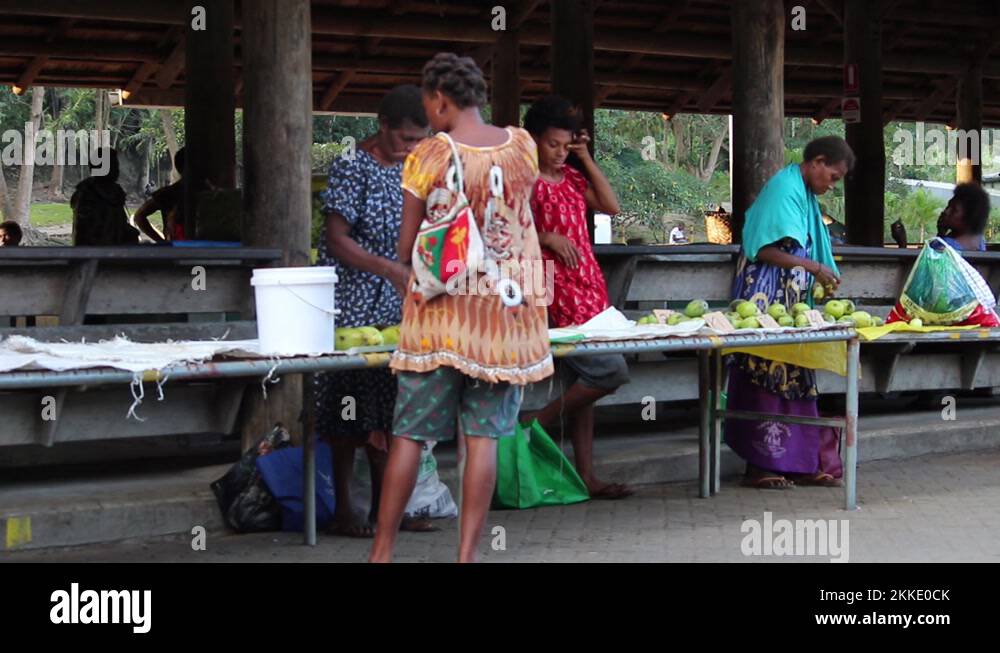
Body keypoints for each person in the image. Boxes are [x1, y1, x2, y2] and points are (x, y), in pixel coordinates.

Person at [370, 53, 553, 563]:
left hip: (440, 322)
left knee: (409, 434)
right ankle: (467, 555)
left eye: (427, 102)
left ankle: (382, 553)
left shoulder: (430, 154)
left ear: (439, 100)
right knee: (483, 439)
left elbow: (408, 246)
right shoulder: (523, 147)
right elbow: (517, 221)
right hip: (506, 321)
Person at [314, 85, 431, 537]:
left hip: (395, 302)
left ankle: (389, 509)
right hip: (352, 302)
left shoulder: (413, 170)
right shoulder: (352, 166)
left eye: (419, 140)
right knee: (347, 409)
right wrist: (387, 268)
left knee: (392, 409)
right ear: (382, 127)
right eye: (405, 139)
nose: (411, 148)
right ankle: (345, 509)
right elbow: (337, 239)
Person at [520, 94, 633, 500]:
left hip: (588, 285)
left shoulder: (571, 178)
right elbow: (497, 233)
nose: (558, 153)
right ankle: (534, 422)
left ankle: (588, 477)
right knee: (610, 371)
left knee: (587, 383)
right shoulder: (521, 181)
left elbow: (611, 206)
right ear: (531, 139)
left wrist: (584, 159)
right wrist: (545, 236)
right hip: (552, 290)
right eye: (552, 144)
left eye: (565, 146)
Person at [725, 136, 853, 490]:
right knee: (765, 375)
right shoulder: (784, 189)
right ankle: (760, 466)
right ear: (817, 162)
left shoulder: (805, 194)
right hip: (765, 298)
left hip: (791, 302)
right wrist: (812, 267)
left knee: (797, 378)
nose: (832, 185)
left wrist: (814, 273)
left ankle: (801, 462)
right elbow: (763, 249)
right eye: (833, 176)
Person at [71, 148, 139, 246]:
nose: (117, 170)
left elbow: (117, 224)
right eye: (114, 165)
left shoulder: (115, 192)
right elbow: (83, 232)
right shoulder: (87, 194)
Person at [133, 148, 186, 243]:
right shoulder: (170, 193)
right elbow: (139, 216)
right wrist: (161, 242)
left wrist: (161, 242)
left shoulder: (169, 192)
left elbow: (139, 216)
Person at [937, 183, 990, 252]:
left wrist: (940, 235)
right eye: (948, 206)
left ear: (969, 218)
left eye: (954, 210)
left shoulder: (943, 246)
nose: (946, 212)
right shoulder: (980, 243)